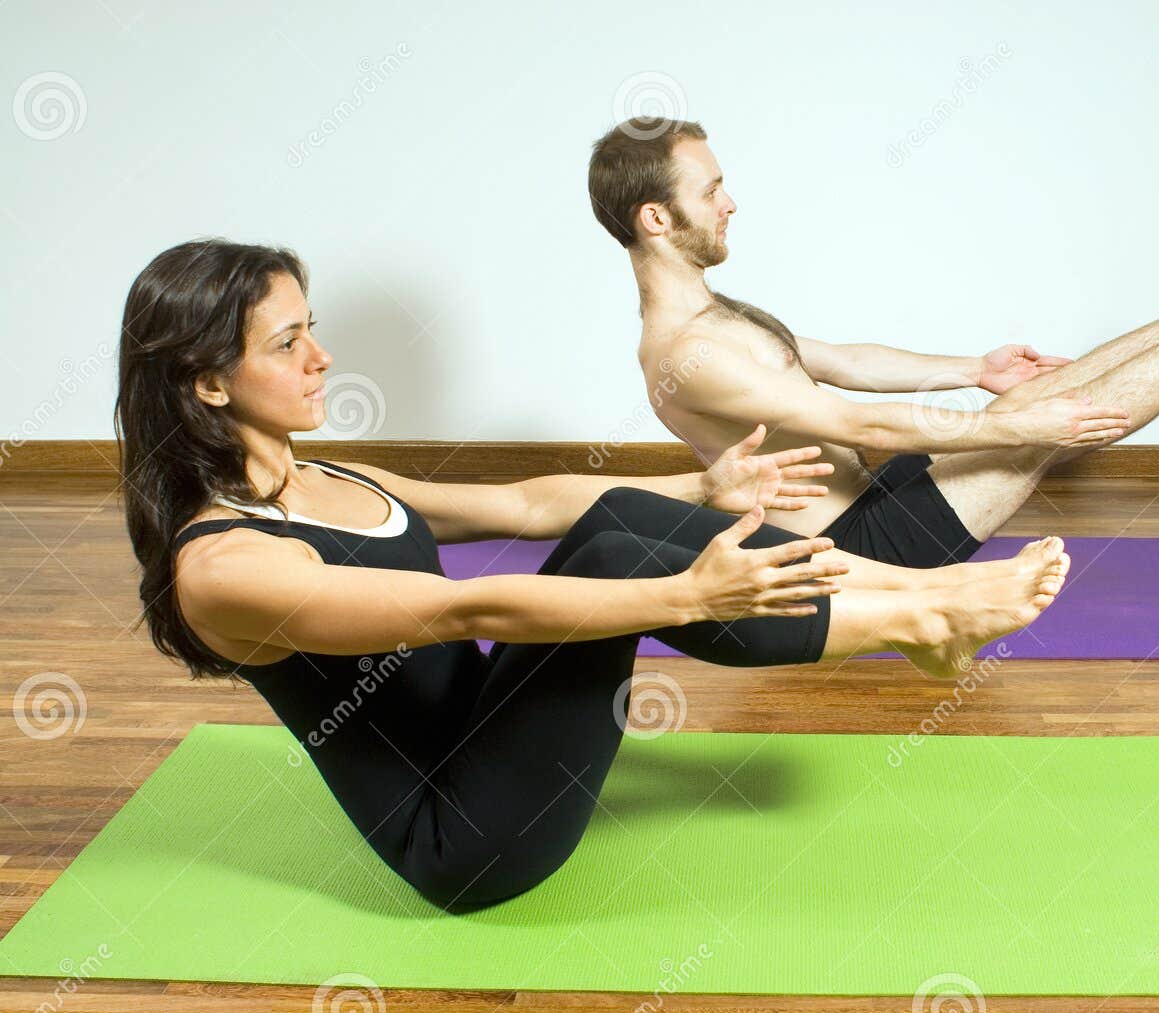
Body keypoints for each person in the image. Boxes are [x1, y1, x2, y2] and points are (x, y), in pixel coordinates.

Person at [116, 240, 1069, 911]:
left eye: (311, 328)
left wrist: (703, 482)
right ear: (207, 380)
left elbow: (530, 504)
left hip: (491, 729)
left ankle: (927, 601)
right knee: (620, 556)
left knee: (610, 521)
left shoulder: (327, 480)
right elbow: (465, 607)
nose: (322, 357)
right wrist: (686, 597)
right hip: (466, 836)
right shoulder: (223, 564)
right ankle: (919, 616)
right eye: (287, 344)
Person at [587, 118, 1159, 567]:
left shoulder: (718, 314)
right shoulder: (687, 355)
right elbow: (854, 422)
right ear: (656, 219)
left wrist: (976, 370)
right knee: (1046, 422)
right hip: (859, 549)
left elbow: (845, 363)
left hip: (879, 495)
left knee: (1039, 404)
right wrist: (1013, 424)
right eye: (711, 188)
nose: (730, 201)